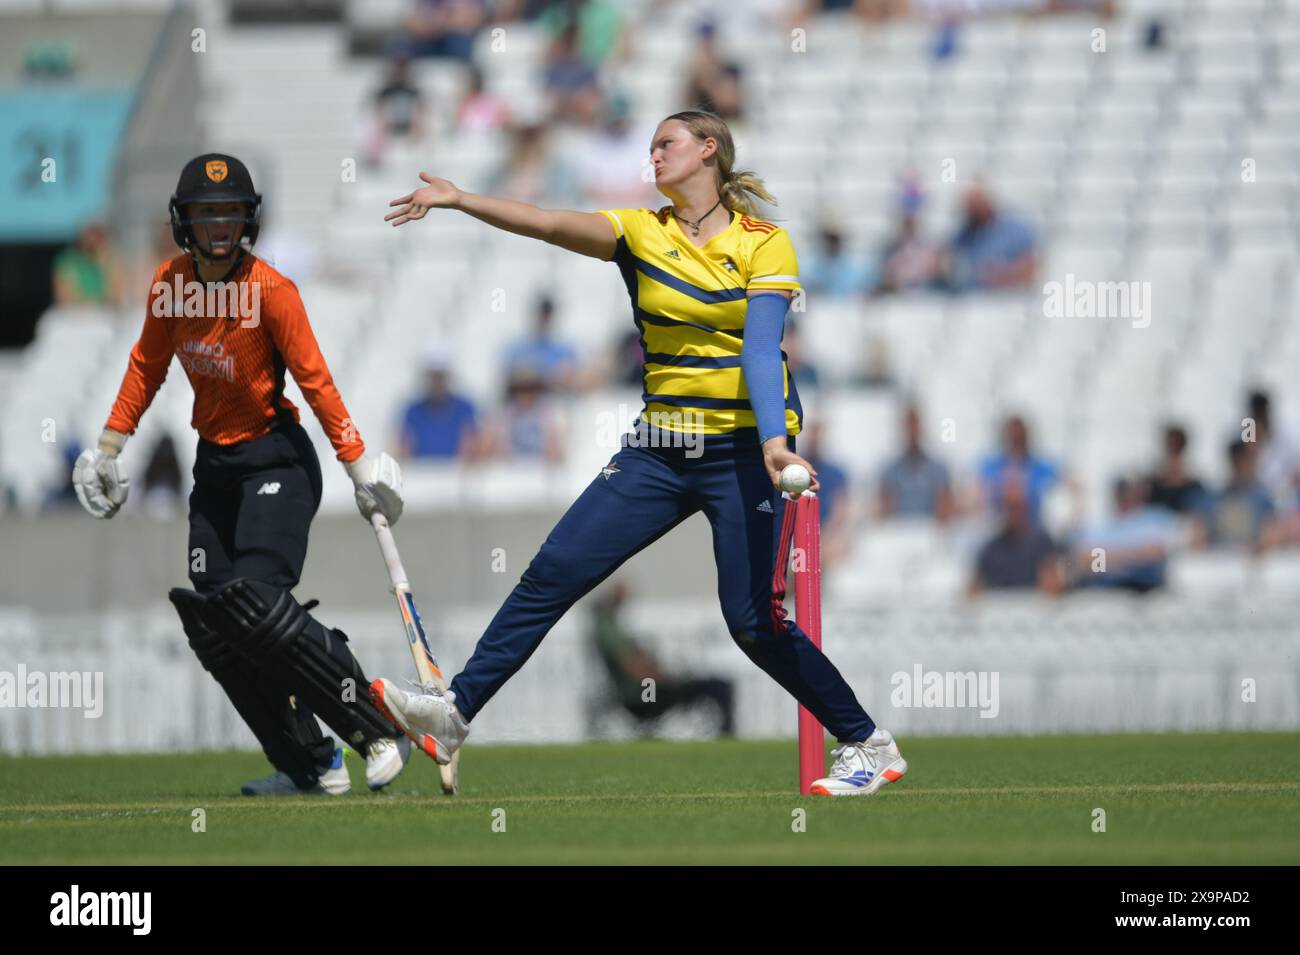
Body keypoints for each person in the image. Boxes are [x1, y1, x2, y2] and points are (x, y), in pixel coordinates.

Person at [372, 109, 906, 796]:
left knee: (753, 624)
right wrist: (461, 199)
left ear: (708, 149)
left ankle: (868, 743)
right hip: (660, 446)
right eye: (650, 146)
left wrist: (775, 441)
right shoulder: (638, 229)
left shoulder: (766, 243)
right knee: (557, 568)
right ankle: (455, 710)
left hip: (746, 448)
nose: (653, 155)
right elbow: (544, 221)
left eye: (667, 143)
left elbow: (759, 348)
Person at [70, 154, 410, 796]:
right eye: (206, 213)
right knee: (217, 623)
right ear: (184, 221)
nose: (219, 225)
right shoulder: (170, 285)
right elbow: (147, 364)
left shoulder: (273, 292)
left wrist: (359, 467)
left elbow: (315, 382)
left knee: (256, 602)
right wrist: (109, 448)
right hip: (217, 466)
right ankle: (311, 764)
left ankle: (373, 729)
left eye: (229, 212)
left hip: (277, 458)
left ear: (248, 219)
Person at [589, 581, 735, 736]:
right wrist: (664, 679)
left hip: (645, 691)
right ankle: (726, 733)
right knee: (717, 687)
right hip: (644, 696)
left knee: (705, 685)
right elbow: (634, 669)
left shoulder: (611, 627)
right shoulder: (608, 629)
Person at [969, 472, 1064, 597]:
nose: (1014, 513)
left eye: (1018, 506)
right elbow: (975, 590)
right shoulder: (990, 550)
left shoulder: (1043, 544)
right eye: (1009, 507)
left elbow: (1056, 588)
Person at [399, 346, 480, 460]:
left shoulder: (465, 408)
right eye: (433, 377)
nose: (437, 382)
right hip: (420, 474)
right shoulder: (413, 411)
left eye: (440, 376)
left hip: (456, 473)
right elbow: (403, 449)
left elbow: (472, 447)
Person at [878, 404, 953, 521]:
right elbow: (885, 512)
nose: (912, 431)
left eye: (915, 426)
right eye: (908, 426)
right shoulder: (889, 471)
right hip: (898, 532)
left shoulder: (938, 469)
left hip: (930, 532)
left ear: (921, 427)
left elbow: (944, 509)